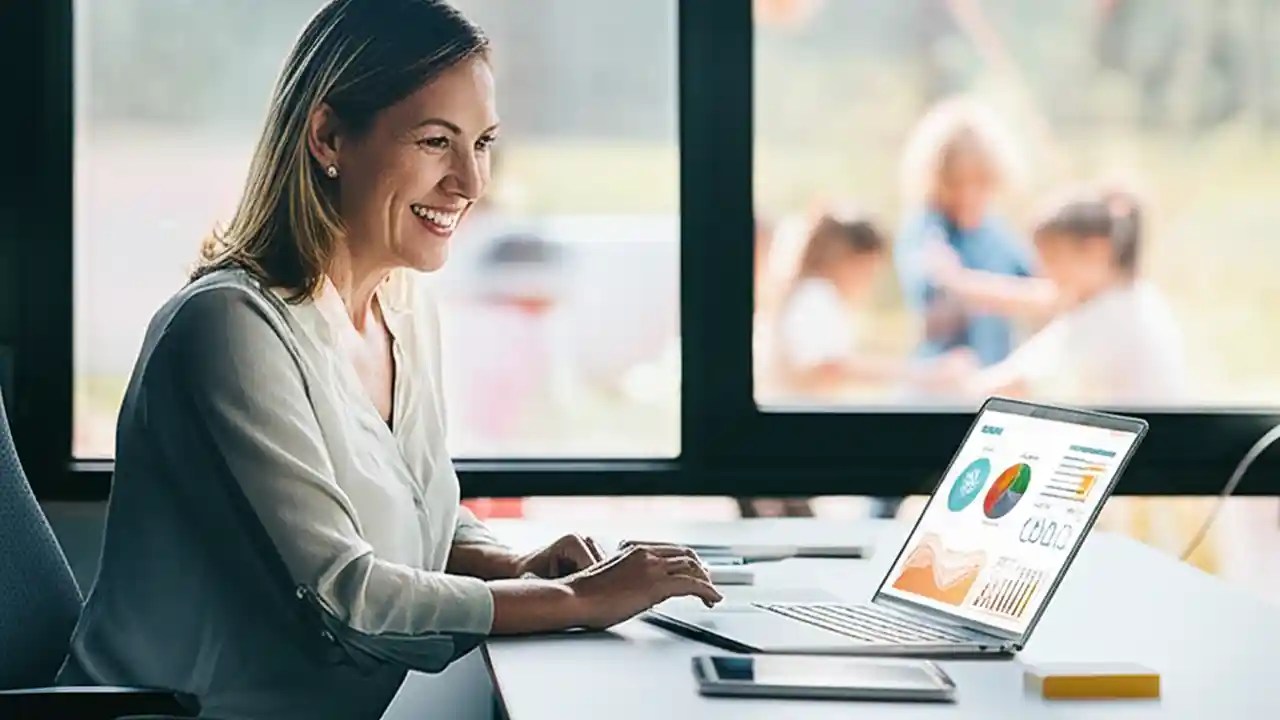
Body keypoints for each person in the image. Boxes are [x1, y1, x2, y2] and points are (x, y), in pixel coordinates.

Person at [56, 2, 720, 718]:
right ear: (329, 136)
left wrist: (516, 564)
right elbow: (350, 599)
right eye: (437, 141)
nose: (471, 182)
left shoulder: (401, 308)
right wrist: (573, 599)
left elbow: (413, 508)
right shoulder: (230, 326)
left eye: (483, 142)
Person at [960, 187, 1187, 403]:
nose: (1044, 272)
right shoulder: (1109, 302)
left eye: (1054, 258)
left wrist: (957, 385)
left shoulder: (1118, 314)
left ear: (1097, 248)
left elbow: (1020, 383)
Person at [896, 98, 1057, 369]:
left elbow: (1047, 296)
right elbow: (934, 311)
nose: (967, 195)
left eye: (979, 182)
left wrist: (965, 284)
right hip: (943, 385)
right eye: (955, 183)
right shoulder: (927, 230)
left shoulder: (996, 233)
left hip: (993, 380)